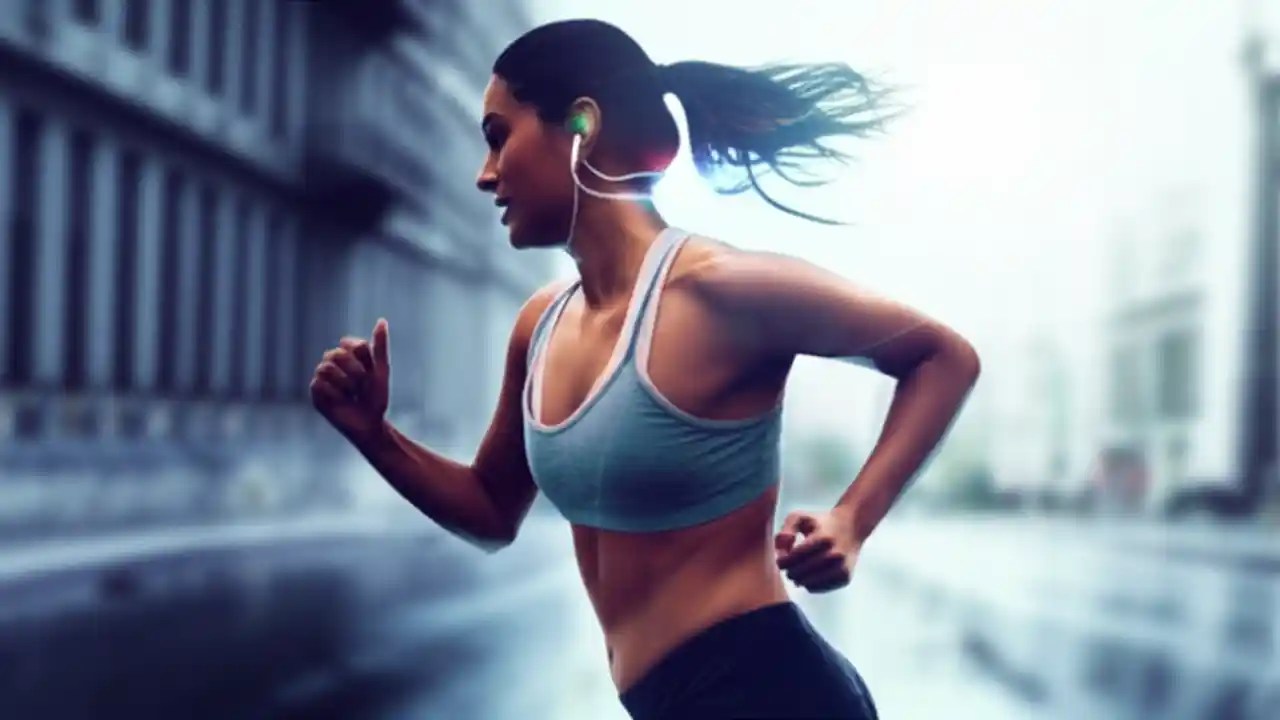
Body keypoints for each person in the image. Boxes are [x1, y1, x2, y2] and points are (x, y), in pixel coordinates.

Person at [309, 18, 981, 720]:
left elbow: (943, 355)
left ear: (581, 125)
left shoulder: (719, 289)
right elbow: (490, 511)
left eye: (498, 136)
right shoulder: (539, 327)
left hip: (770, 692)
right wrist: (372, 433)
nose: (484, 175)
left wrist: (850, 520)